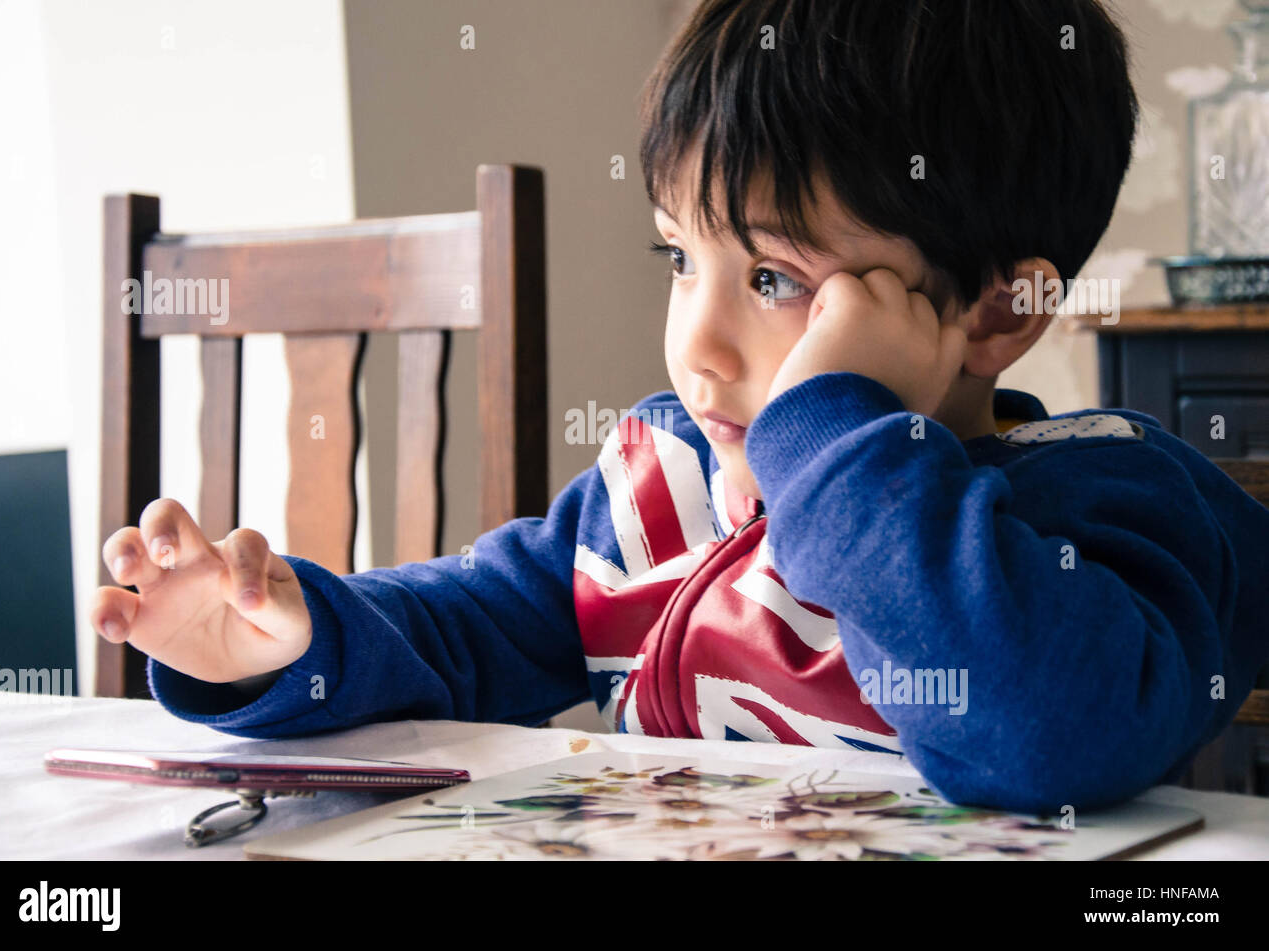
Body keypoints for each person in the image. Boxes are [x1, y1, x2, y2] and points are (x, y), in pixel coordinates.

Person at [90, 0, 1269, 813]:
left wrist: (838, 440)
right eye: (677, 261)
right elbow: (466, 627)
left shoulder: (1112, 505)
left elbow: (1048, 735)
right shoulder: (660, 490)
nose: (694, 342)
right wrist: (284, 644)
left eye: (774, 280)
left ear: (999, 313)